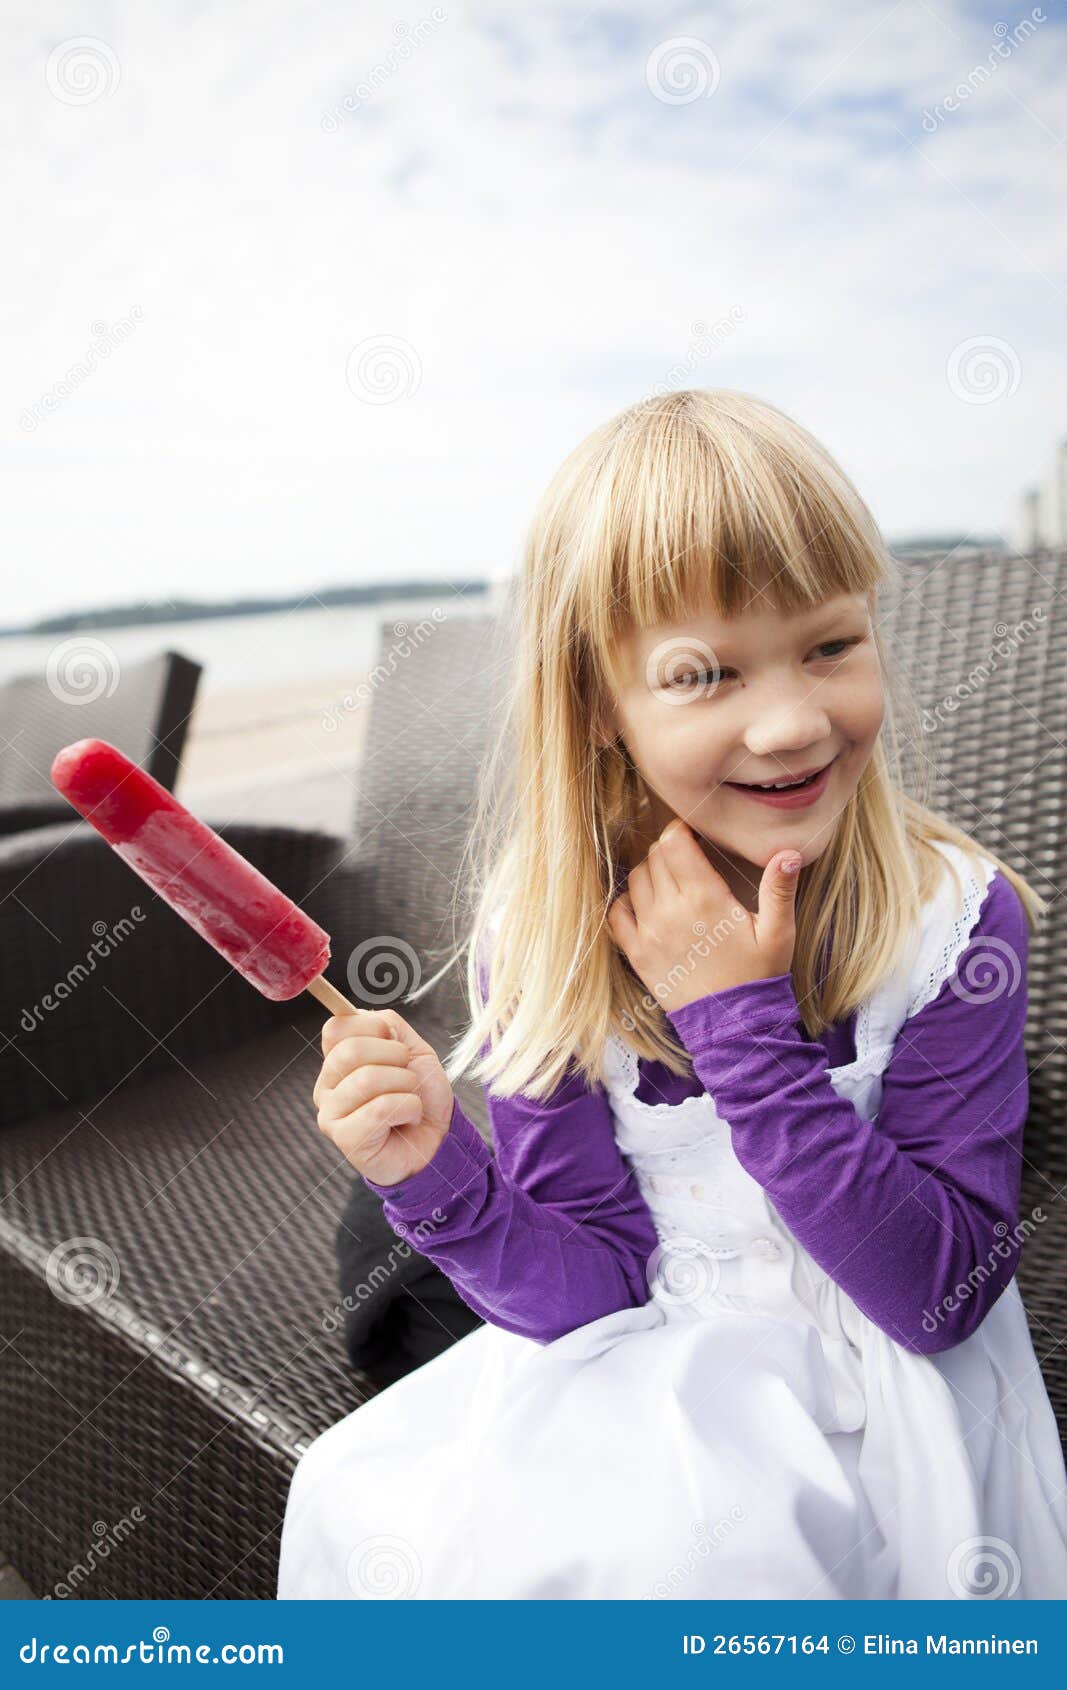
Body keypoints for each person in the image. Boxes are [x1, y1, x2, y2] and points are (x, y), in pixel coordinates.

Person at [277, 388, 1067, 1600]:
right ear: (598, 704)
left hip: (879, 1389)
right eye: (704, 673)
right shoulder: (542, 941)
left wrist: (738, 1024)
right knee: (351, 1490)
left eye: (828, 645)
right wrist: (432, 1172)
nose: (791, 721)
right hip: (639, 1362)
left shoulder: (951, 923)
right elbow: (587, 1293)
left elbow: (934, 1295)